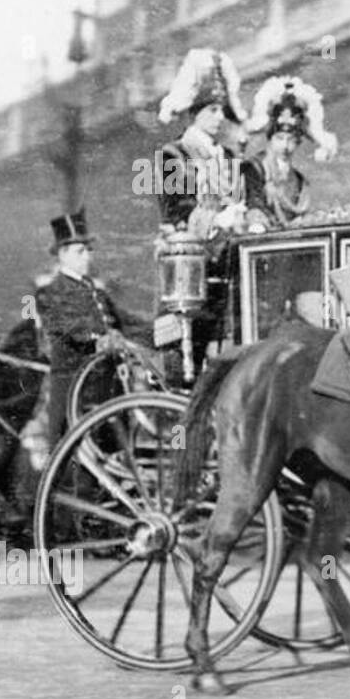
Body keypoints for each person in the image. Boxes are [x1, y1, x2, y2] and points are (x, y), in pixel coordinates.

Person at [155, 48, 249, 366]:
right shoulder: (173, 154)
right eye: (212, 110)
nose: (220, 117)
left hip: (230, 264)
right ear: (194, 112)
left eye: (221, 110)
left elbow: (240, 200)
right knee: (190, 357)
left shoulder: (230, 156)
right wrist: (218, 219)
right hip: (191, 270)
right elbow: (176, 212)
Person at [34, 210, 139, 444]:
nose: (87, 258)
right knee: (75, 465)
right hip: (75, 392)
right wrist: (99, 339)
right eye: (80, 252)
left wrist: (160, 331)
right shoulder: (49, 293)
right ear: (62, 254)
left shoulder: (96, 291)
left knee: (114, 456)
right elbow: (70, 328)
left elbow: (126, 323)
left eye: (88, 251)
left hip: (106, 391)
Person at [242, 76, 338, 230]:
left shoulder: (299, 180)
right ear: (270, 140)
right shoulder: (253, 169)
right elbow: (252, 204)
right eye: (280, 138)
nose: (285, 147)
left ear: (298, 143)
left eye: (291, 140)